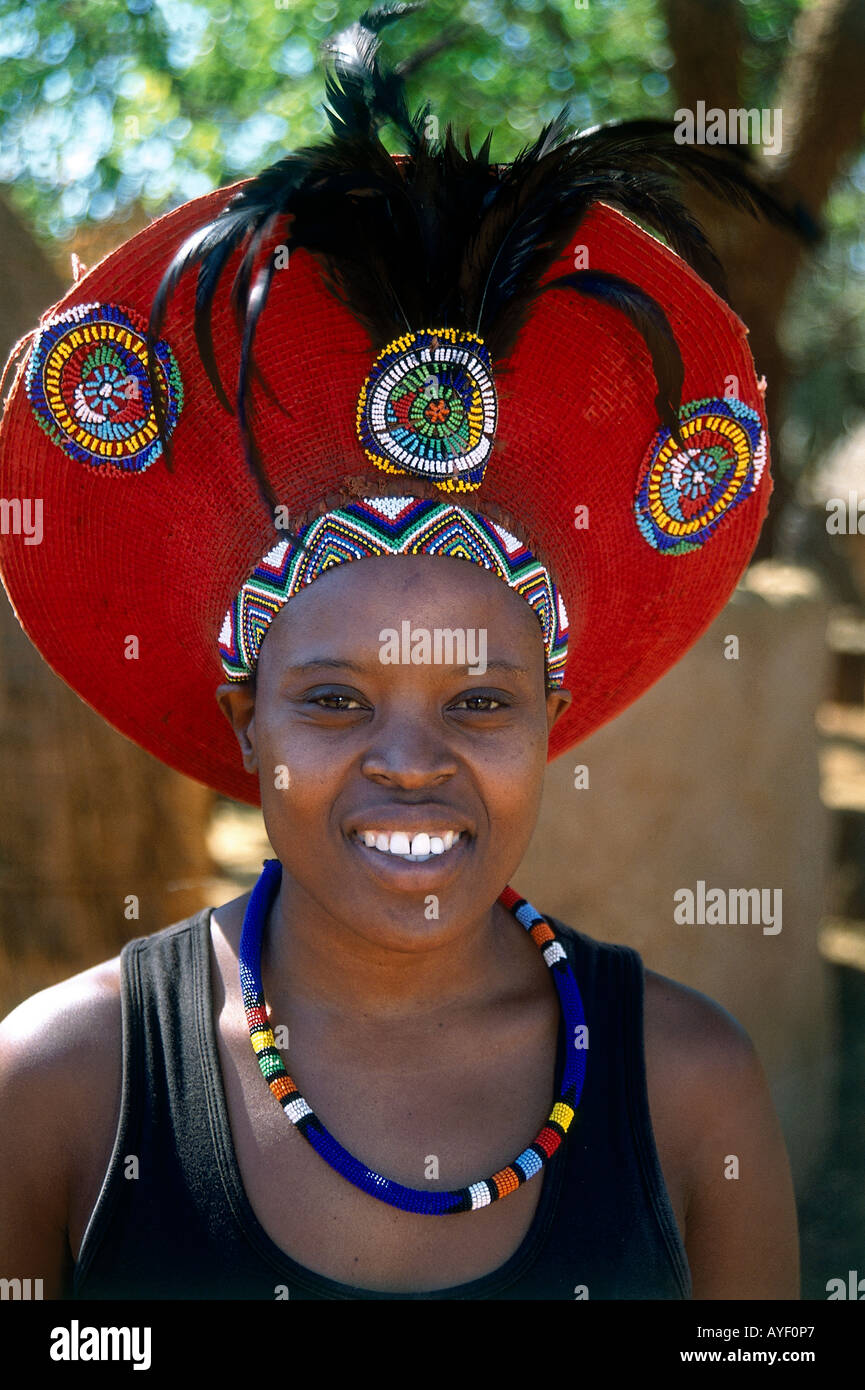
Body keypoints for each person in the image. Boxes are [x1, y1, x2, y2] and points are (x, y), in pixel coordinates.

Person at [0, 6, 801, 1299]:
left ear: (550, 716)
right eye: (332, 697)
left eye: (478, 696)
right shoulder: (59, 1095)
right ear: (245, 722)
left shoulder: (691, 1088)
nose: (410, 762)